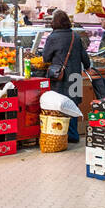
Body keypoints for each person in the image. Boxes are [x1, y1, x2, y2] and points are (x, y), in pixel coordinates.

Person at [42, 10, 91, 143]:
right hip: (75, 75)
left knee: (60, 103)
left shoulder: (53, 37)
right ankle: (73, 134)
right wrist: (87, 66)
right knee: (73, 104)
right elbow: (84, 57)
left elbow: (45, 57)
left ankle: (61, 134)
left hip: (60, 76)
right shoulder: (75, 35)